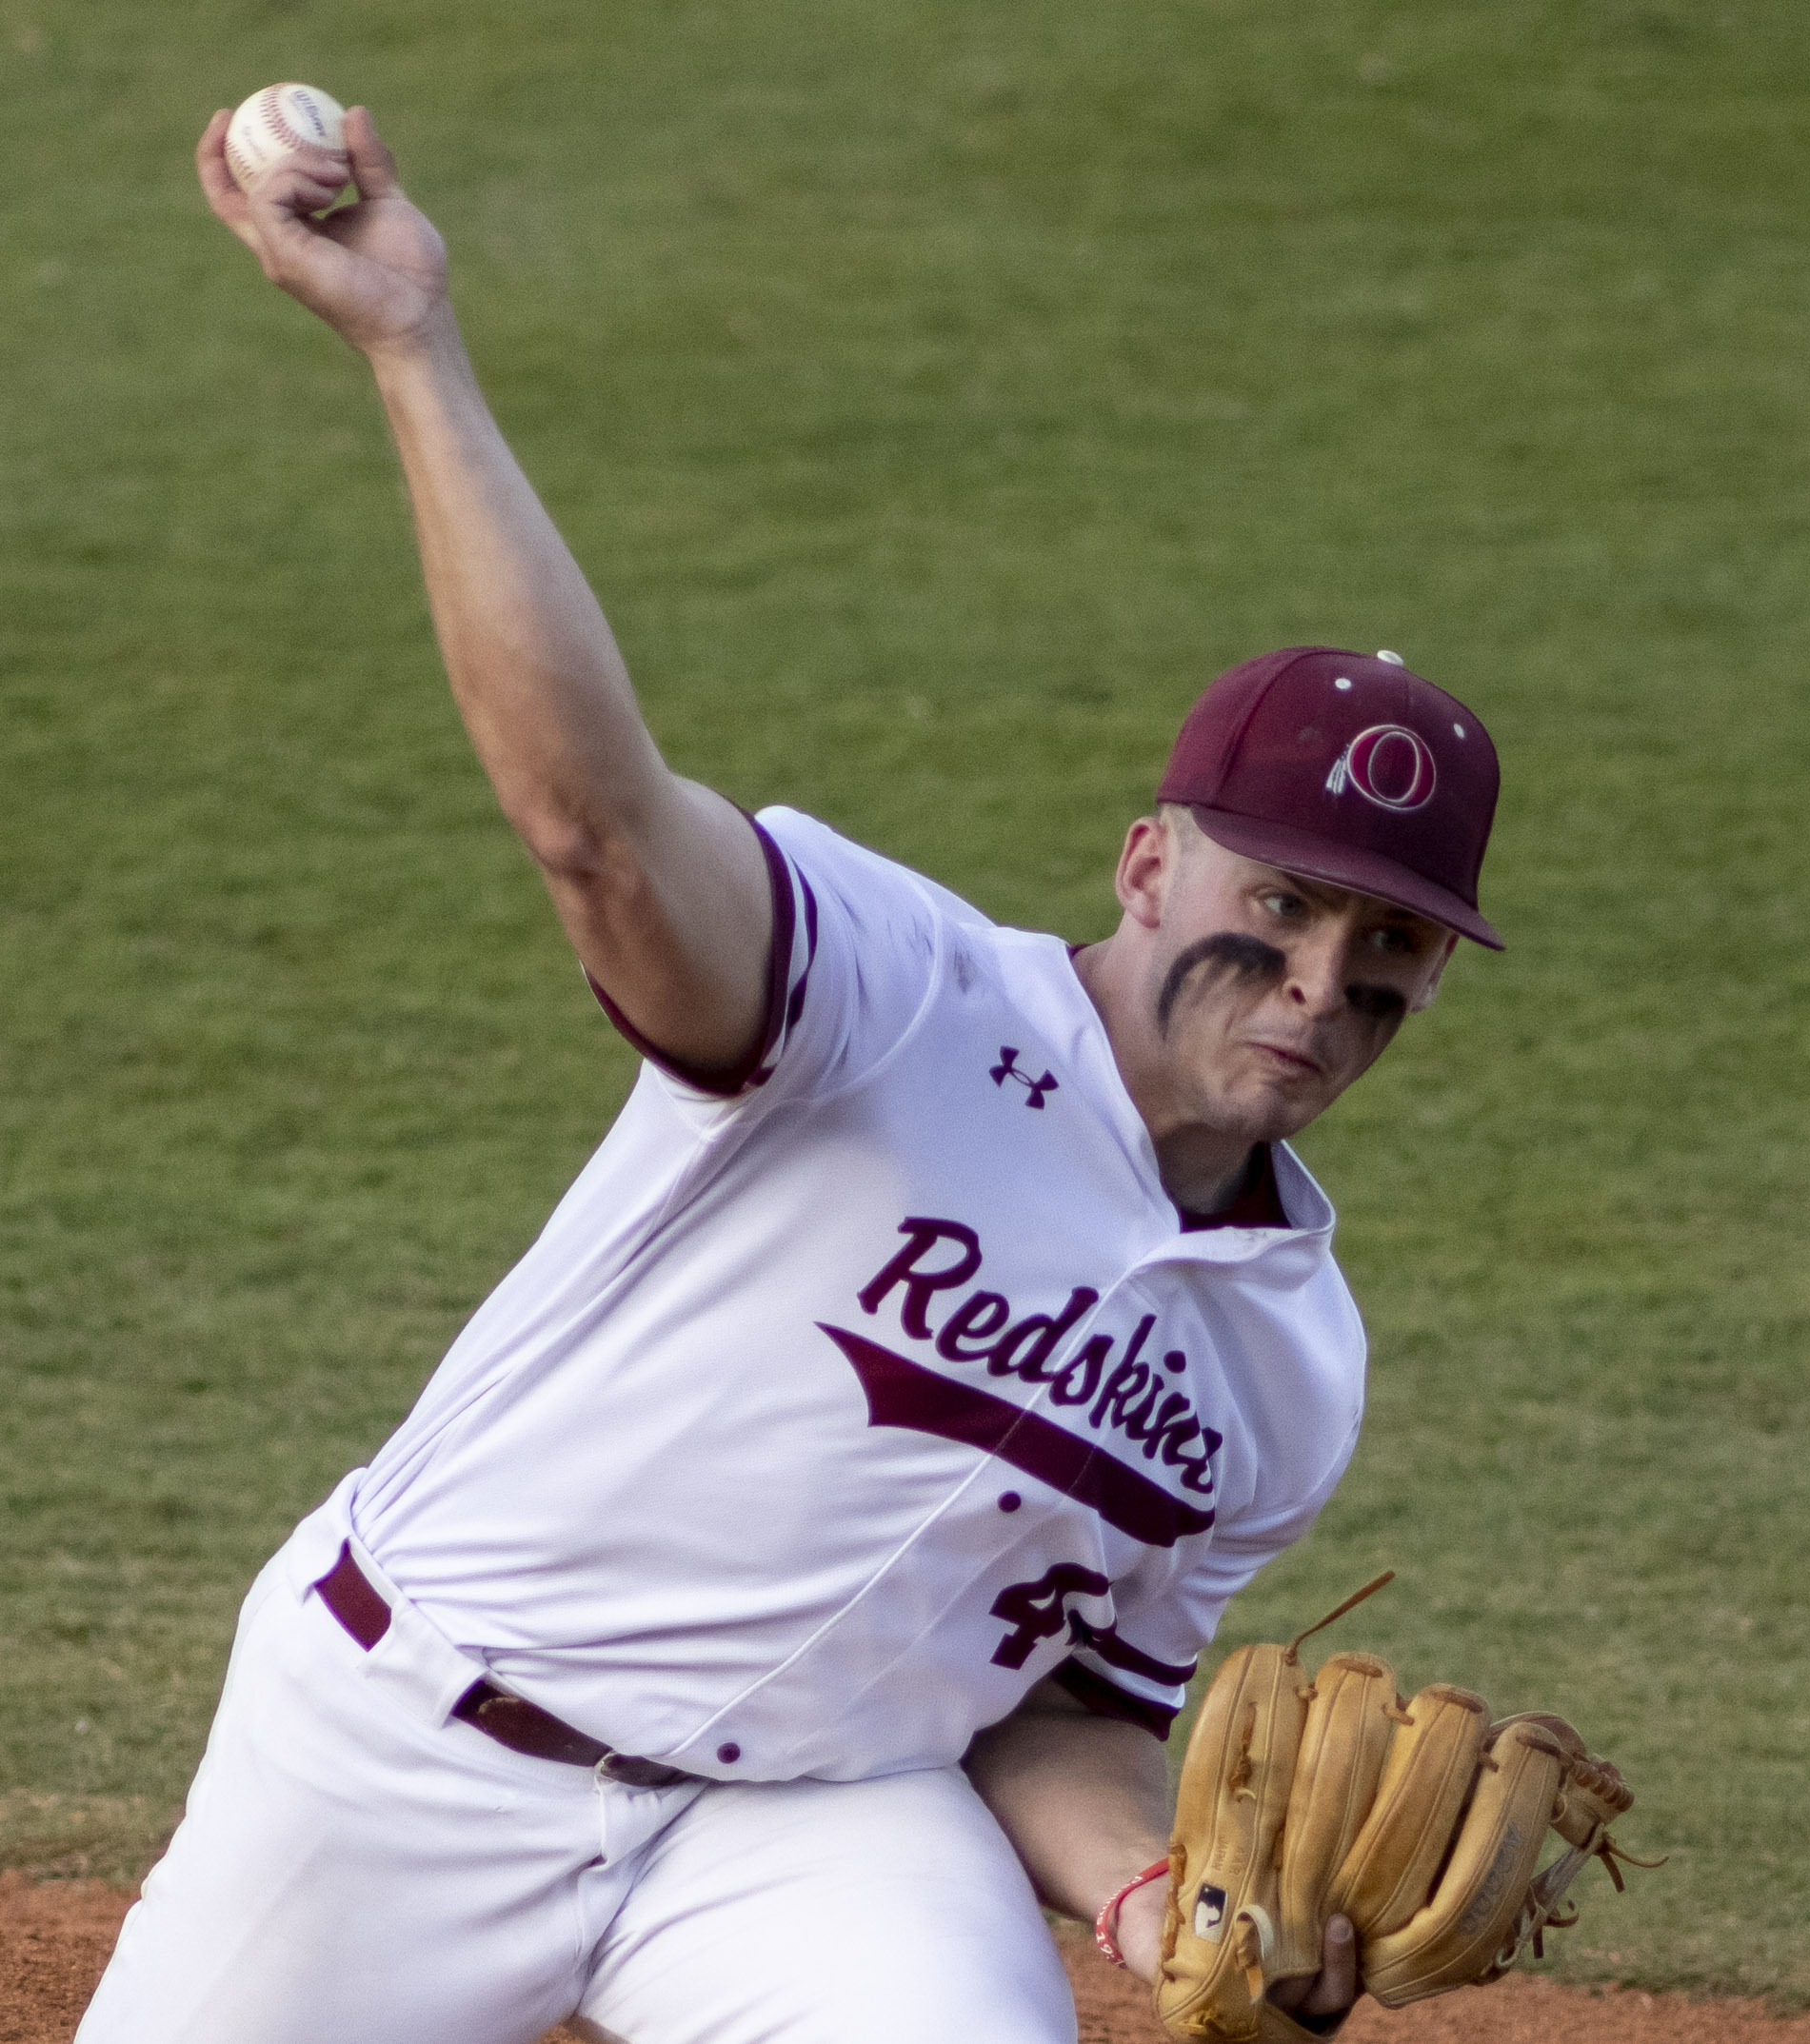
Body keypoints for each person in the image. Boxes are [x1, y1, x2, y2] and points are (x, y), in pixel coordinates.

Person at [77, 102, 1505, 2044]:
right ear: (1147, 866)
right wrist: (414, 348)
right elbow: (593, 829)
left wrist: (1155, 1888)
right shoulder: (886, 992)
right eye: (1280, 904)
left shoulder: (1289, 1367)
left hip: (815, 1829)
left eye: (1390, 946)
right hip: (410, 1751)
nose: (1320, 986)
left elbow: (1055, 1714)